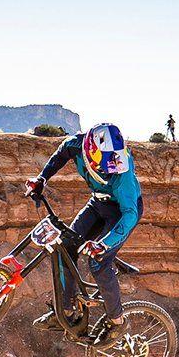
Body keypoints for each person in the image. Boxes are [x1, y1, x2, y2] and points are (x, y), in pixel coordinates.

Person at [24, 123, 143, 342]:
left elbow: (130, 215)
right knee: (64, 249)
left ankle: (117, 321)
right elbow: (60, 155)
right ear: (89, 149)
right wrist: (42, 179)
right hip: (97, 204)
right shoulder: (76, 144)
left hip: (121, 212)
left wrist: (103, 244)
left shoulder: (122, 172)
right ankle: (66, 312)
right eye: (103, 162)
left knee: (98, 262)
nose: (108, 167)